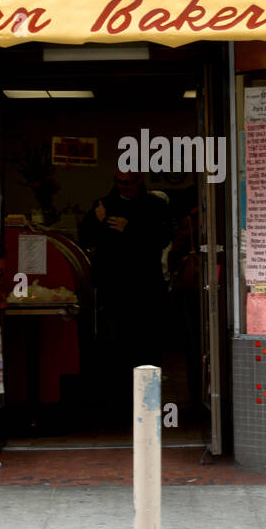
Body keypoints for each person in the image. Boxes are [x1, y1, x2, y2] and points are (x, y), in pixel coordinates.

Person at [79, 169, 173, 406]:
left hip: (145, 289)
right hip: (115, 289)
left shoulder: (154, 205)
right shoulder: (103, 206)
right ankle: (119, 402)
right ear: (115, 181)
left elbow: (162, 239)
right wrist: (100, 223)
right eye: (122, 183)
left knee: (147, 346)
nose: (126, 187)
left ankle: (148, 400)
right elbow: (87, 240)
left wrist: (128, 229)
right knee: (116, 347)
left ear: (140, 180)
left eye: (130, 182)